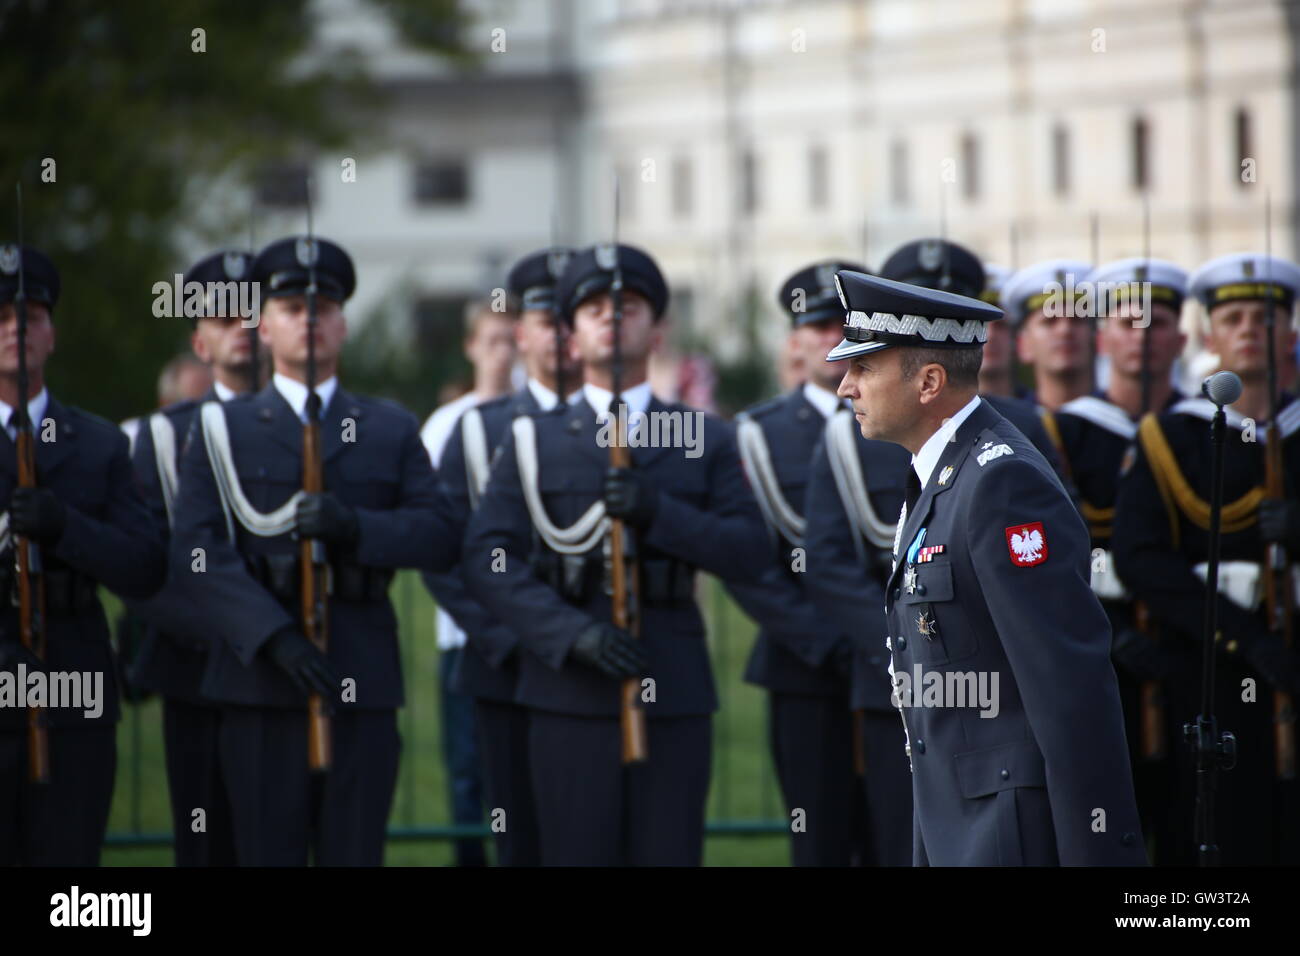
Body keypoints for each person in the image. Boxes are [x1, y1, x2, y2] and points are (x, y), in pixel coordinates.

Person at [827, 268, 1146, 865]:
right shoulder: (944, 471)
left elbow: (1068, 684)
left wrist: (1100, 851)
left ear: (928, 382)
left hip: (1010, 831)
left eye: (863, 367)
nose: (846, 386)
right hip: (957, 817)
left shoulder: (1001, 482)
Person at [462, 243, 767, 865]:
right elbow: (488, 558)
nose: (610, 317)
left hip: (672, 684)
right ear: (571, 334)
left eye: (627, 306)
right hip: (568, 690)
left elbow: (749, 551)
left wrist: (661, 513)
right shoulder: (532, 440)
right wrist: (570, 635)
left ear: (657, 331)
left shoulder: (702, 437)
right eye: (593, 307)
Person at [170, 234, 461, 865]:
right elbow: (196, 552)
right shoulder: (222, 429)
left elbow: (440, 535)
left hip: (360, 671)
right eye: (291, 307)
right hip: (259, 680)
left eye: (323, 307)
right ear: (265, 327)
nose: (309, 319)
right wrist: (274, 635)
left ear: (343, 326)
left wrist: (357, 527)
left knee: (353, 852)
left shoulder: (388, 427)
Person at [1112, 251, 1300, 865]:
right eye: (1235, 317)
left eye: (1266, 317)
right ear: (1211, 335)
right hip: (1208, 671)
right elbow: (1142, 559)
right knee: (1217, 839)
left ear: (1291, 333)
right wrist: (1245, 637)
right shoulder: (1174, 437)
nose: (1250, 329)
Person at [726, 259, 905, 866]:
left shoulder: (901, 421)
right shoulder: (758, 434)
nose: (834, 337)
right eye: (820, 325)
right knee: (820, 836)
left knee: (902, 836)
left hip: (903, 658)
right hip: (806, 660)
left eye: (847, 322)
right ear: (795, 341)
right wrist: (828, 640)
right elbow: (751, 562)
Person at [0, 242, 165, 865]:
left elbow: (145, 566)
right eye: (2, 318)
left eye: (32, 316)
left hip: (73, 678)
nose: (18, 329)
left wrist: (65, 526)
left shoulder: (97, 445)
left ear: (52, 335)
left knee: (69, 874)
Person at [430, 246, 581, 866]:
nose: (563, 337)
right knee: (515, 830)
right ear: (522, 333)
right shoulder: (475, 429)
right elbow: (446, 553)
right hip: (506, 667)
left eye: (576, 319)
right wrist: (511, 636)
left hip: (598, 666)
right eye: (549, 322)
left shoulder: (626, 426)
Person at [1044, 257, 1188, 863]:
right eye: (1128, 322)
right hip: (1096, 653)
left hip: (1185, 650)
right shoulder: (1062, 432)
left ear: (1182, 338)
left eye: (1158, 322)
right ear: (1103, 338)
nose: (1143, 335)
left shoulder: (1205, 427)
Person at [126, 248, 260, 866]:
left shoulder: (328, 426)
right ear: (199, 342)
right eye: (224, 317)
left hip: (294, 672)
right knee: (205, 846)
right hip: (198, 672)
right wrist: (238, 630)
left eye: (254, 311)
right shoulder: (162, 436)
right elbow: (148, 563)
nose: (244, 326)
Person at [419, 299, 517, 867]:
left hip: (524, 623)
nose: (503, 351)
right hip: (464, 632)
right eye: (492, 340)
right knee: (466, 769)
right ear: (471, 347)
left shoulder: (534, 414)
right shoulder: (447, 426)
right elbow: (439, 527)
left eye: (511, 339)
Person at [1001, 258, 1095, 411]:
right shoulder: (1010, 427)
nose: (1065, 330)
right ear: (1023, 344)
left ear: (1096, 338)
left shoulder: (1121, 428)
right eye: (1050, 322)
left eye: (1076, 320)